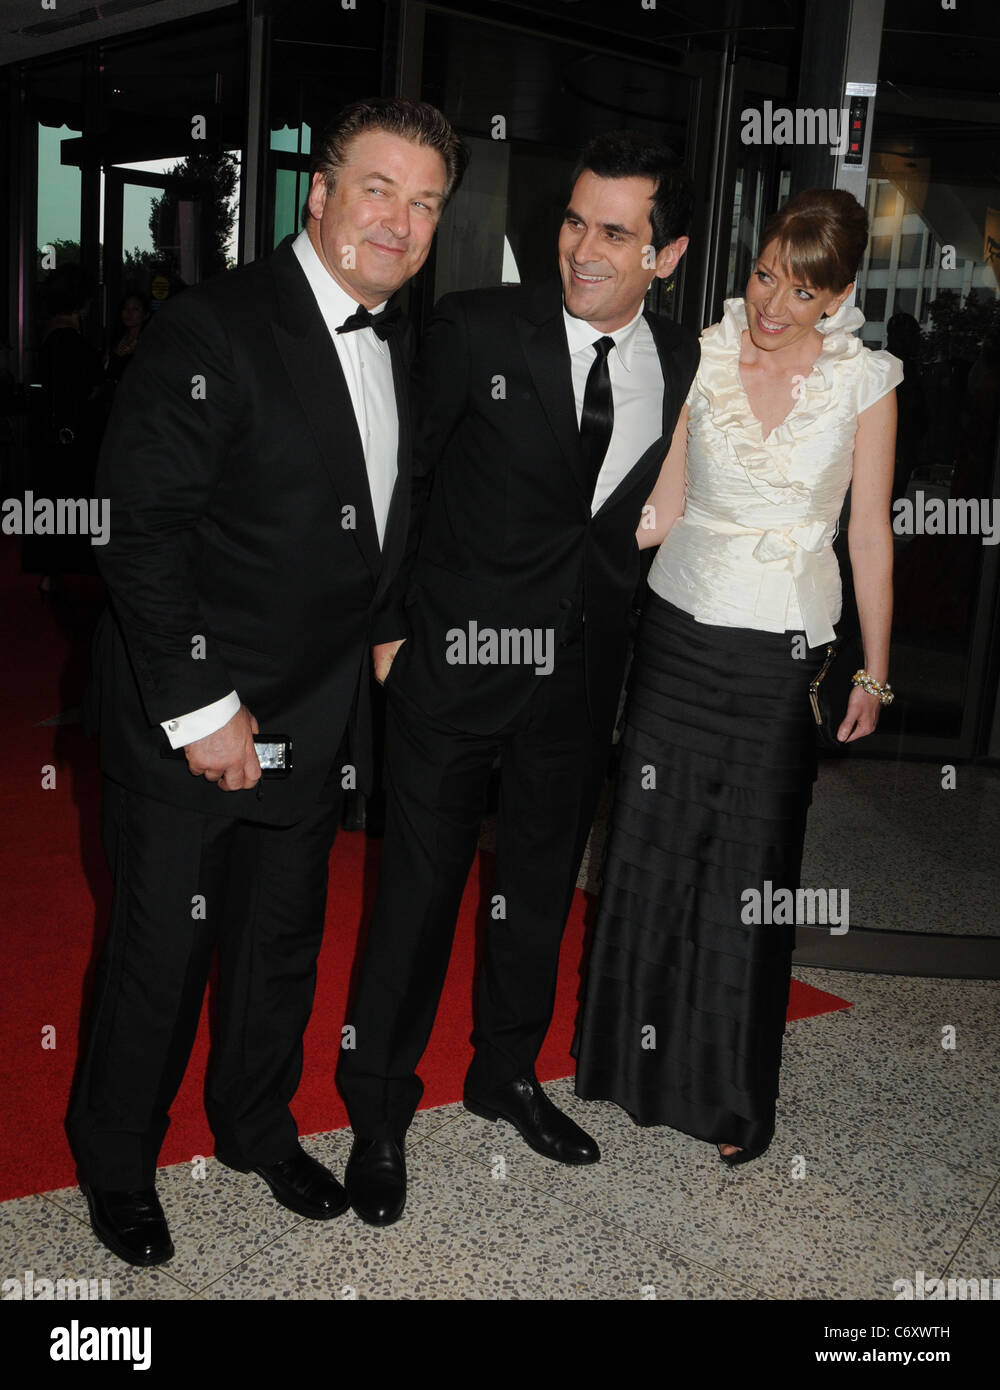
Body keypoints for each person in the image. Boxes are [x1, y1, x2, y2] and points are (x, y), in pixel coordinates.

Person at [67, 98, 467, 1266]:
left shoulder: (399, 335)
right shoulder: (215, 329)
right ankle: (115, 1160)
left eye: (426, 201)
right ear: (321, 194)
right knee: (161, 951)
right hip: (195, 716)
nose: (401, 220)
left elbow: (376, 523)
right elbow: (138, 531)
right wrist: (205, 710)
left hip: (316, 711)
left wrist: (390, 634)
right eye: (380, 189)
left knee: (279, 941)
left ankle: (251, 1124)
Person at [337, 130, 699, 1224]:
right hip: (450, 667)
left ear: (666, 255)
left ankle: (503, 1073)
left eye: (616, 232)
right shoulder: (476, 326)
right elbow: (404, 476)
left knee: (535, 891)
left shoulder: (682, 363)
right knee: (416, 896)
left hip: (577, 680)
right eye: (575, 220)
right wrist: (390, 628)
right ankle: (379, 1106)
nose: (584, 248)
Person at [573, 187, 899, 1164]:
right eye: (763, 274)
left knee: (749, 868)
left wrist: (875, 674)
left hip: (780, 650)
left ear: (837, 296)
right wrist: (572, 558)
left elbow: (869, 534)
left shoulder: (866, 381)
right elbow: (663, 498)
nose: (769, 304)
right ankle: (626, 1066)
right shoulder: (704, 352)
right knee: (652, 847)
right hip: (676, 631)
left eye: (800, 291)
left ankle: (727, 1094)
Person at [24, 264, 104, 590]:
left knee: (53, 498)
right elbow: (84, 389)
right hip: (73, 436)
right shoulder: (71, 341)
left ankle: (50, 570)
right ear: (81, 302)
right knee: (72, 497)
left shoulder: (49, 338)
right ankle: (66, 568)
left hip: (52, 435)